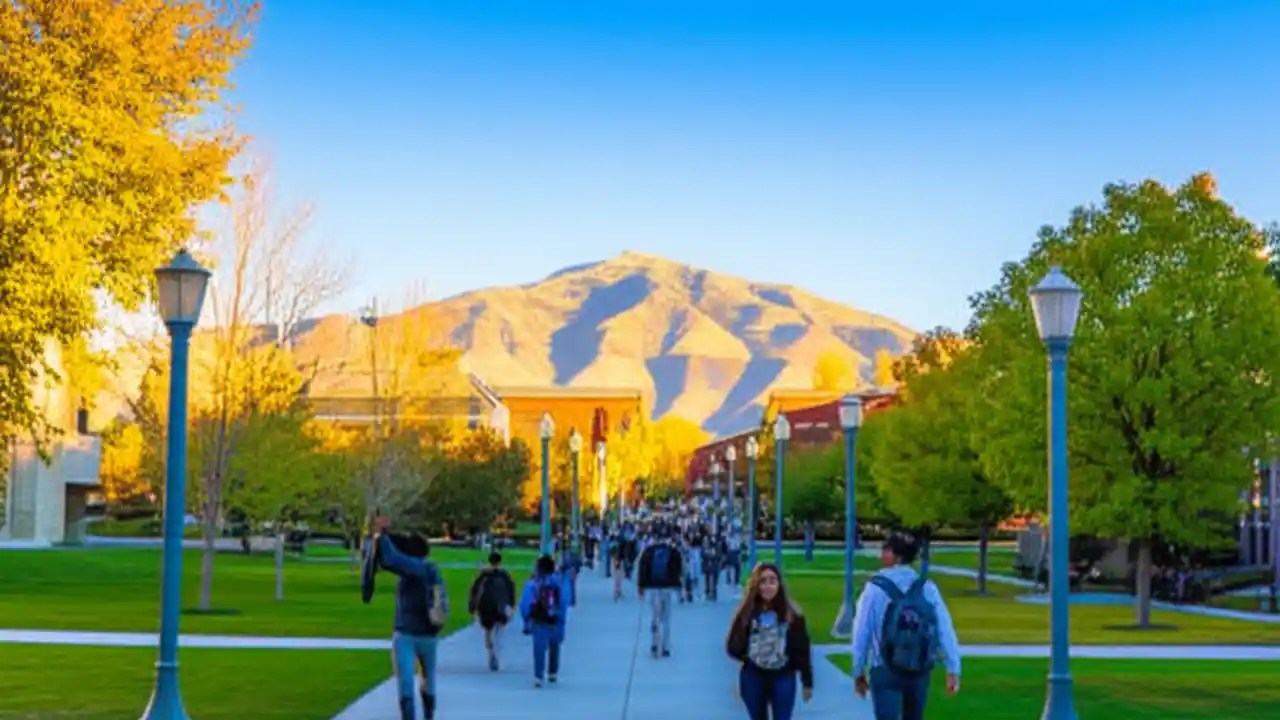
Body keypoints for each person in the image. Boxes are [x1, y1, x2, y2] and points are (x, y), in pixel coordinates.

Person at [851, 531, 962, 720]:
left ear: (895, 556)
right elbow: (944, 628)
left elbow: (862, 632)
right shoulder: (927, 587)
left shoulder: (874, 588)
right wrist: (953, 667)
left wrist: (858, 670)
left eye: (885, 550)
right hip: (919, 668)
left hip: (884, 667)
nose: (881, 555)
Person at [372, 517, 450, 720]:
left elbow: (391, 560)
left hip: (407, 633)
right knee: (428, 677)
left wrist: (382, 535)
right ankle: (428, 715)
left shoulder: (415, 568)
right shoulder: (432, 569)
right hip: (430, 634)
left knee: (406, 681)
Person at [726, 563, 813, 720]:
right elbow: (732, 645)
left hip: (783, 675)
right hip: (753, 677)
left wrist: (807, 682)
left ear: (779, 584)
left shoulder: (792, 615)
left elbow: (803, 651)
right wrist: (748, 657)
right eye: (763, 581)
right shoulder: (747, 612)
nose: (768, 586)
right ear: (756, 585)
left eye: (772, 581)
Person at [520, 554, 568, 687]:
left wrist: (527, 621)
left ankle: (538, 676)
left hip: (539, 620)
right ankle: (552, 672)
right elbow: (564, 603)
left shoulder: (533, 584)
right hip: (555, 620)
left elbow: (525, 604)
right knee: (554, 646)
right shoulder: (558, 583)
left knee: (539, 649)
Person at [637, 523, 683, 658]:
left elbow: (642, 568)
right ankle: (666, 646)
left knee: (655, 616)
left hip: (652, 587)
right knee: (667, 617)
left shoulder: (649, 551)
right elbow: (678, 570)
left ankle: (654, 643)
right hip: (667, 588)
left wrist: (641, 586)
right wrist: (677, 585)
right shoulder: (673, 551)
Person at [468, 551, 516, 671]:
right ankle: (496, 652)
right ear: (500, 562)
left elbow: (474, 591)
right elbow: (511, 591)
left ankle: (490, 652)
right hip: (501, 606)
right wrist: (511, 606)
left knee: (488, 631)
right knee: (499, 630)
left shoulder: (483, 575)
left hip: (485, 606)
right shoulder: (505, 575)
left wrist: (472, 607)